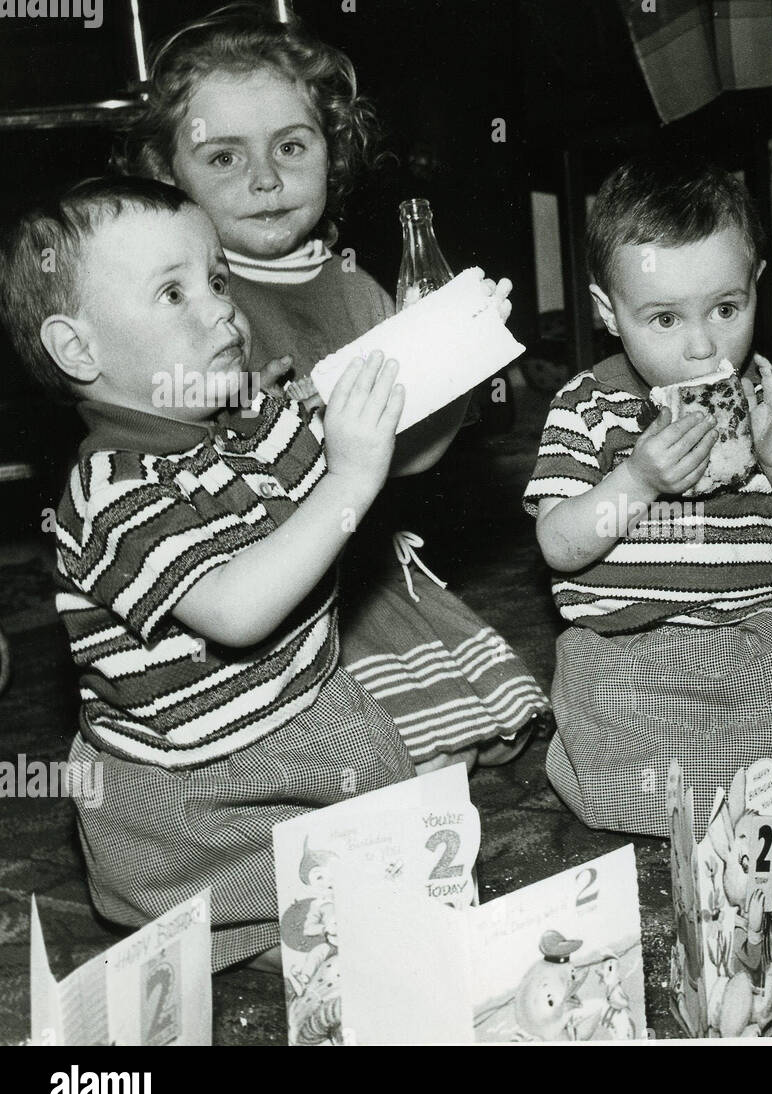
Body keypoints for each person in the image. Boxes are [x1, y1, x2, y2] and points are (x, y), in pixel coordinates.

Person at [0, 175, 418, 968]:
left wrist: (452, 333)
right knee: (319, 947)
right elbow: (235, 611)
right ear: (78, 349)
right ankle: (255, 930)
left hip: (306, 717)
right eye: (174, 293)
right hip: (201, 797)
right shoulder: (109, 492)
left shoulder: (241, 422)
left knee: (400, 879)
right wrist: (350, 482)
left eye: (218, 279)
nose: (222, 308)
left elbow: (360, 420)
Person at [117, 3, 548, 771]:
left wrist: (455, 366)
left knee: (450, 739)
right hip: (253, 582)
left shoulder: (356, 289)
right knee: (343, 748)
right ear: (164, 175)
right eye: (222, 158)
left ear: (333, 154)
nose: (265, 178)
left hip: (362, 569)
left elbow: (405, 457)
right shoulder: (192, 310)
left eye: (292, 145)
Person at [524, 157, 772, 838]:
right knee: (636, 747)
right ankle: (666, 761)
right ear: (608, 314)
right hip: (641, 649)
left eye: (726, 308)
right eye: (664, 319)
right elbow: (560, 546)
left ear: (756, 289)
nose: (704, 345)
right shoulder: (587, 408)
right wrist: (637, 480)